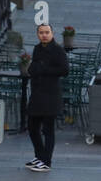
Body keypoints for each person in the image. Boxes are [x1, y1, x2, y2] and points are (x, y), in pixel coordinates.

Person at [23, 23, 71, 173]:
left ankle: (47, 161)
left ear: (52, 33)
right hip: (37, 93)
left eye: (47, 32)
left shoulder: (58, 50)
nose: (44, 35)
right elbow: (34, 66)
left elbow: (64, 70)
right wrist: (33, 69)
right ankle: (39, 156)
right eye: (41, 32)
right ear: (38, 34)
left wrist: (44, 69)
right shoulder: (37, 49)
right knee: (32, 127)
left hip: (50, 95)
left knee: (48, 129)